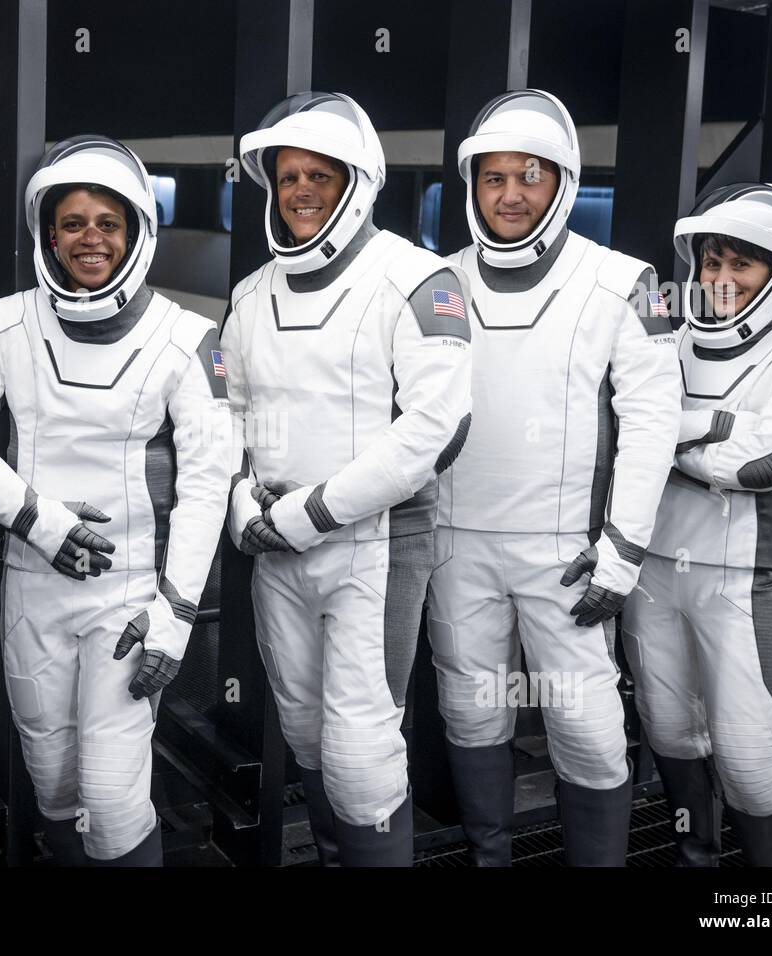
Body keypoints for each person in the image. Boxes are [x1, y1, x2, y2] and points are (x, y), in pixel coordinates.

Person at [0, 136, 233, 866]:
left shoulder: (187, 339)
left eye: (107, 222)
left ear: (135, 231)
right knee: (55, 785)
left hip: (128, 601)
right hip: (34, 591)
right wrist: (40, 518)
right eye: (72, 222)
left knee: (115, 797)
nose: (89, 237)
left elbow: (208, 480)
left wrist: (177, 613)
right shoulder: (7, 324)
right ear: (48, 233)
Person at [427, 89, 681, 866]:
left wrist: (624, 550)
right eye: (493, 178)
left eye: (528, 177)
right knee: (471, 717)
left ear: (563, 182)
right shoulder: (433, 280)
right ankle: (489, 856)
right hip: (453, 544)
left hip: (569, 554)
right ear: (472, 186)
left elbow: (653, 419)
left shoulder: (636, 281)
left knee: (590, 732)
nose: (509, 195)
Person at [222, 92, 474, 866]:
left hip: (377, 545)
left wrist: (312, 514)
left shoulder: (424, 280)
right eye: (287, 176)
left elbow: (435, 430)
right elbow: (227, 412)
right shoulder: (251, 294)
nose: (299, 191)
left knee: (363, 755)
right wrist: (240, 501)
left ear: (357, 182)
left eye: (318, 176)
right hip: (273, 548)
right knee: (303, 730)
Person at [622, 183, 772, 867]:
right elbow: (614, 418)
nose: (719, 280)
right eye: (710, 262)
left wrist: (661, 429)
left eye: (739, 265)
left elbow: (762, 465)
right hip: (653, 565)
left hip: (746, 581)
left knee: (751, 756)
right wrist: (715, 427)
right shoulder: (666, 335)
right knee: (671, 735)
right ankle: (701, 863)